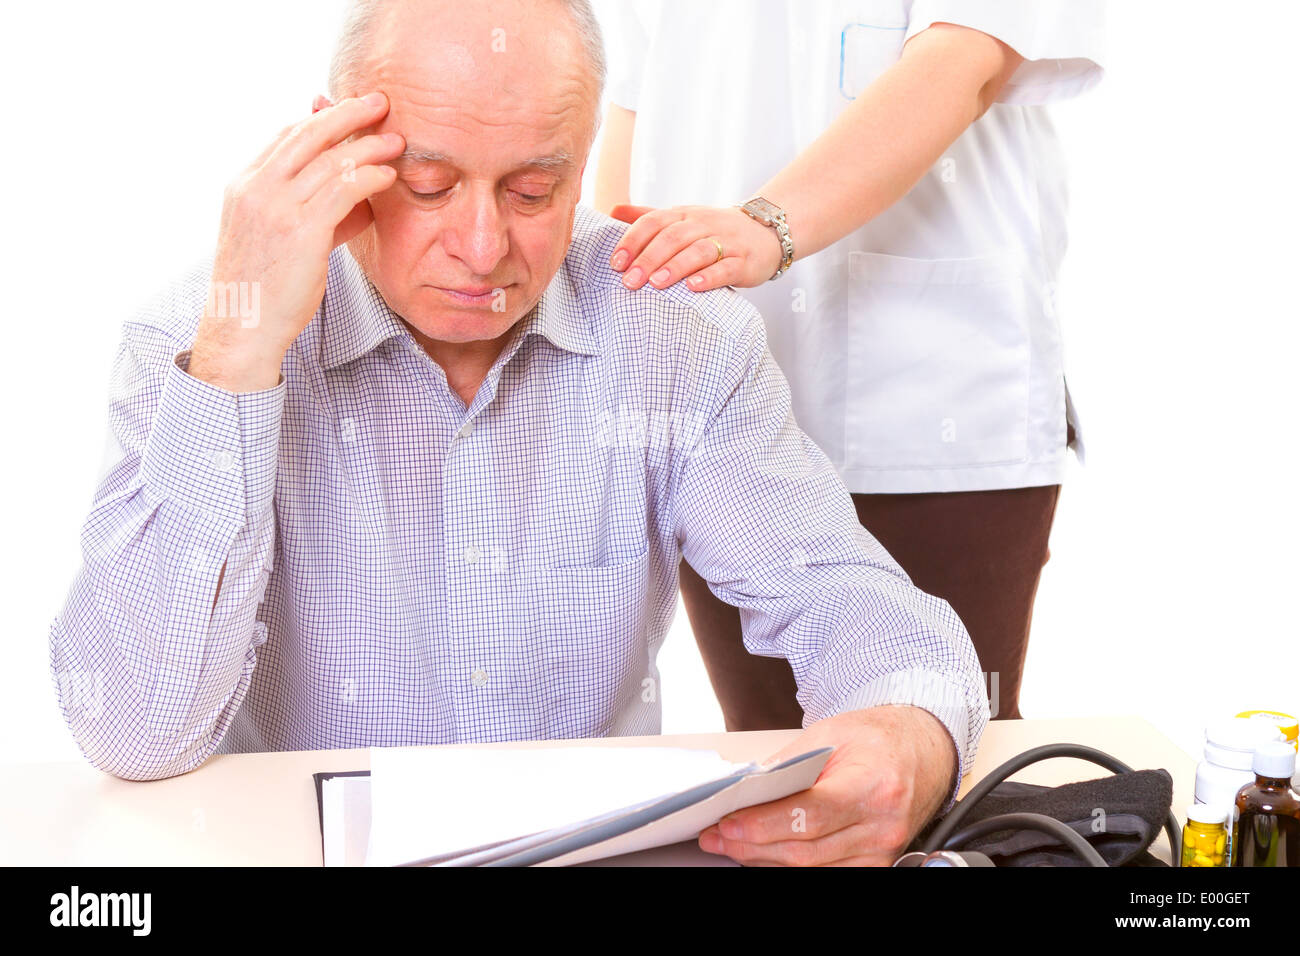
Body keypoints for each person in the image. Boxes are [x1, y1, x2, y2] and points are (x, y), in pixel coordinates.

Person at [47, 0, 987, 866]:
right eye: (427, 183)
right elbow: (134, 728)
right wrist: (239, 359)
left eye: (535, 190)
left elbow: (842, 600)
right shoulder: (198, 341)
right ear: (334, 146)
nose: (484, 247)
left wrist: (909, 729)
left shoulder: (677, 339)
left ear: (583, 159)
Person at [595, 0, 1106, 722]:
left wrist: (765, 226)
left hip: (929, 388)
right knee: (770, 760)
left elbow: (969, 54)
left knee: (950, 761)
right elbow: (635, 94)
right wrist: (610, 281)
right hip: (712, 389)